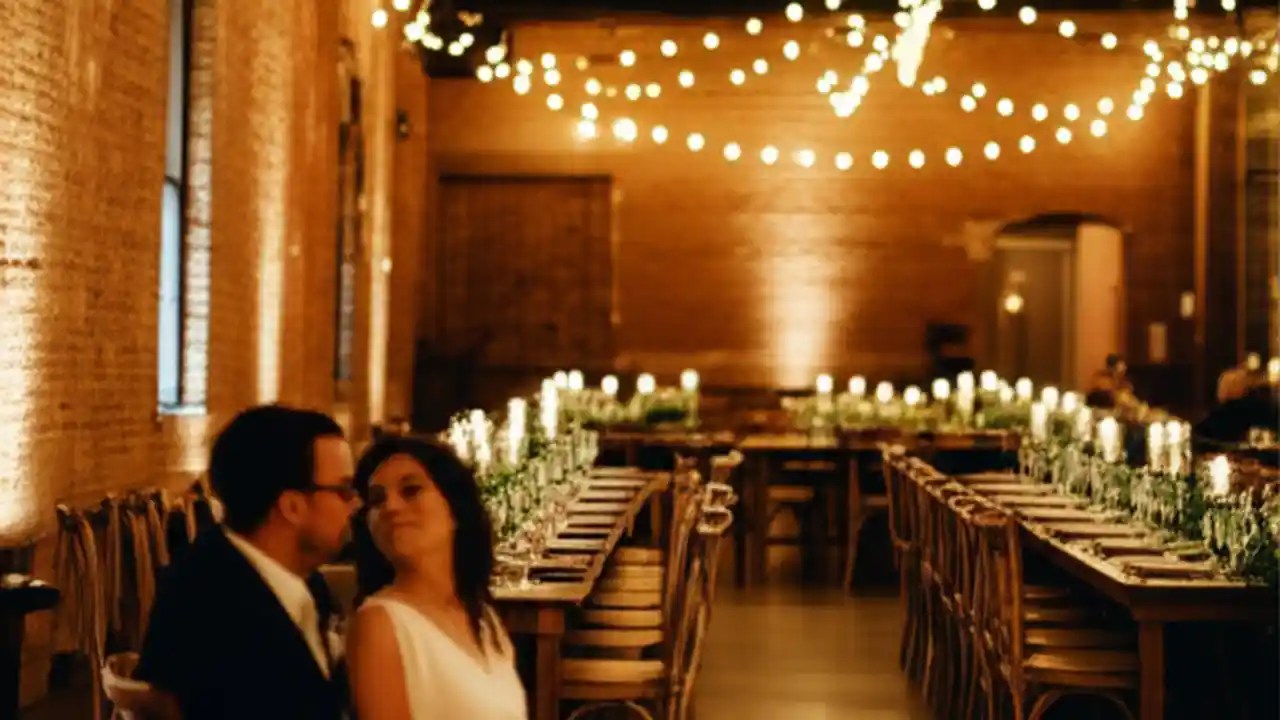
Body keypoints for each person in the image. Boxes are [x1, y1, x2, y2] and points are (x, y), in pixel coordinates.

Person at [136, 405, 360, 719]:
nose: (355, 504)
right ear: (292, 506)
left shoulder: (299, 582)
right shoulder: (213, 610)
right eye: (345, 490)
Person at [346, 436, 527, 720]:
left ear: (455, 510)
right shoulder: (380, 624)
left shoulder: (482, 616)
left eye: (411, 490)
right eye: (377, 499)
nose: (391, 507)